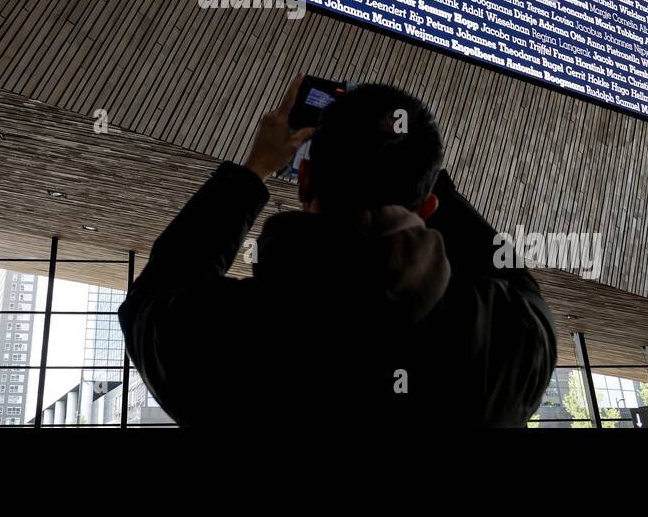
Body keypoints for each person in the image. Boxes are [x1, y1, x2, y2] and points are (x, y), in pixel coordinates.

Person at [119, 74, 557, 426]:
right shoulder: (502, 348)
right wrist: (420, 172)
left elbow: (153, 293)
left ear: (305, 177)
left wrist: (254, 170)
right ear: (426, 208)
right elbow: (515, 278)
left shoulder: (221, 338)